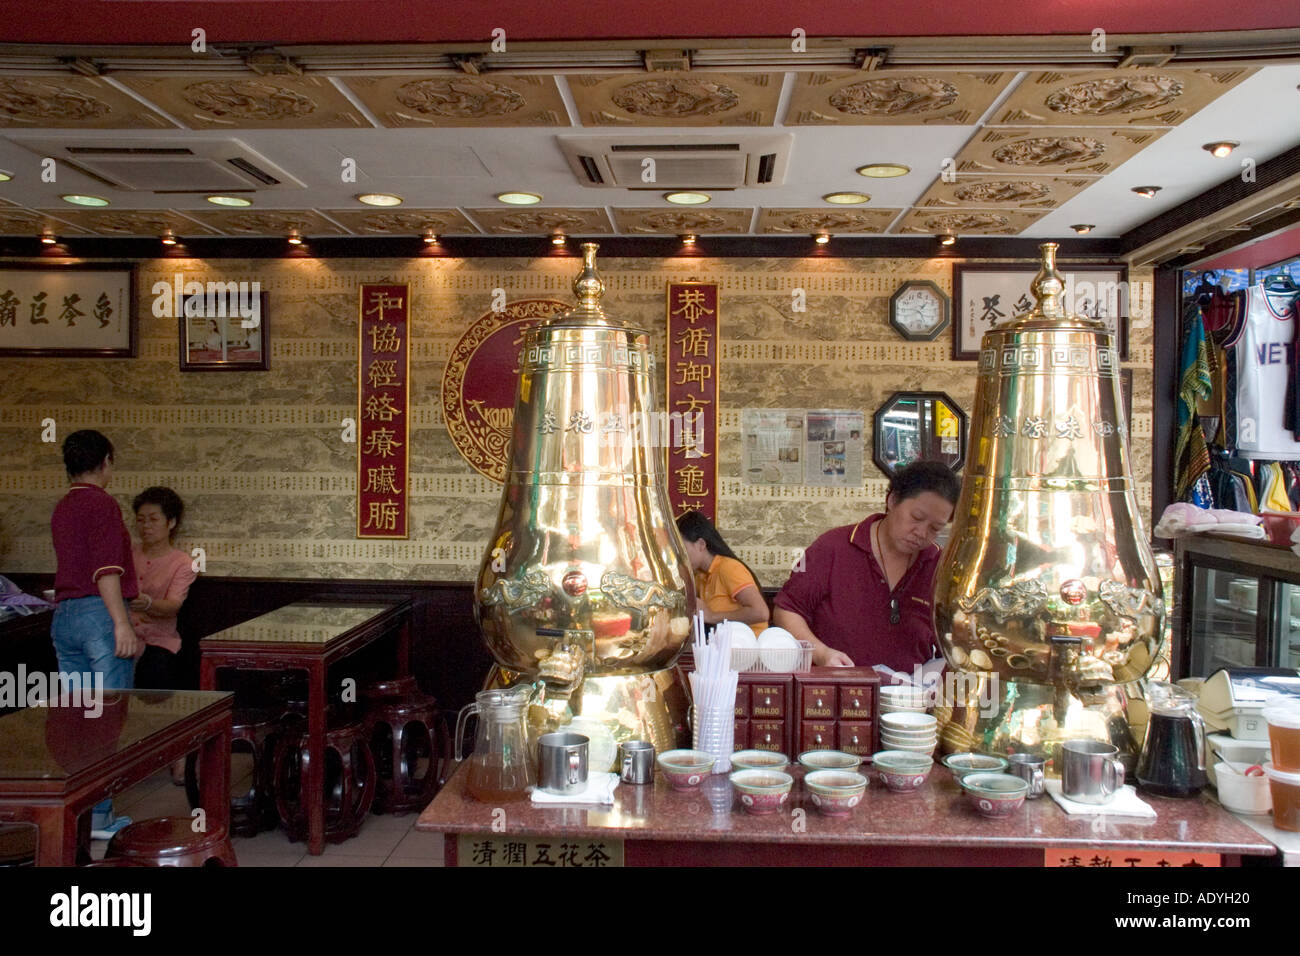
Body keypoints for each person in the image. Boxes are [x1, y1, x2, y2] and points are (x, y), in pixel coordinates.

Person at [772, 460, 960, 670]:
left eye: (935, 528)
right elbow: (786, 610)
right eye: (916, 517)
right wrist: (822, 653)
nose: (922, 533)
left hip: (911, 697)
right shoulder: (832, 548)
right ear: (892, 500)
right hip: (835, 689)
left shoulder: (939, 566)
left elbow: (952, 640)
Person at [50, 429, 142, 840]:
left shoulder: (62, 506)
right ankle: (101, 819)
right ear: (105, 461)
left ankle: (79, 815)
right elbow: (106, 570)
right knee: (106, 722)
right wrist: (121, 622)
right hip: (97, 616)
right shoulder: (102, 505)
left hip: (63, 617)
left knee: (79, 721)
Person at [129, 486, 198, 784]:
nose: (146, 526)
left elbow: (173, 606)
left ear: (171, 522)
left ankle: (179, 756)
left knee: (159, 674)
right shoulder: (126, 555)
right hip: (122, 635)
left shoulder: (182, 562)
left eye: (153, 519)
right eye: (141, 520)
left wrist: (146, 603)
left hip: (160, 638)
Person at [676, 511, 769, 636]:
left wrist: (712, 616)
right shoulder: (700, 575)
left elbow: (761, 613)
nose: (680, 556)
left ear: (701, 544)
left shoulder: (728, 568)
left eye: (683, 549)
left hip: (748, 647)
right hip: (723, 646)